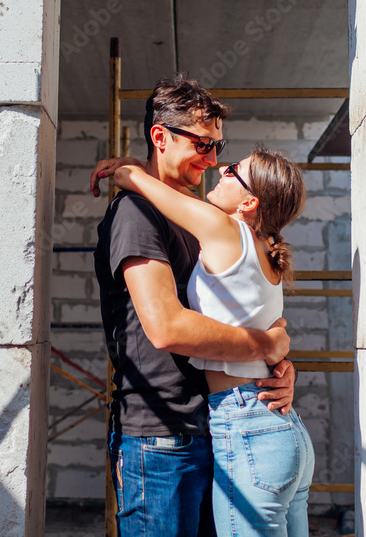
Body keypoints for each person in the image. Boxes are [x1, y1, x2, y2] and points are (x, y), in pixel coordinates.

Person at [91, 74, 297, 537]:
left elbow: (245, 307)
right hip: (161, 436)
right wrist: (267, 345)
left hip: (216, 425)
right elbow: (165, 327)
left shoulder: (199, 217)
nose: (212, 160)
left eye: (219, 149)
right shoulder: (136, 214)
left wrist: (281, 365)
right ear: (160, 137)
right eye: (203, 145)